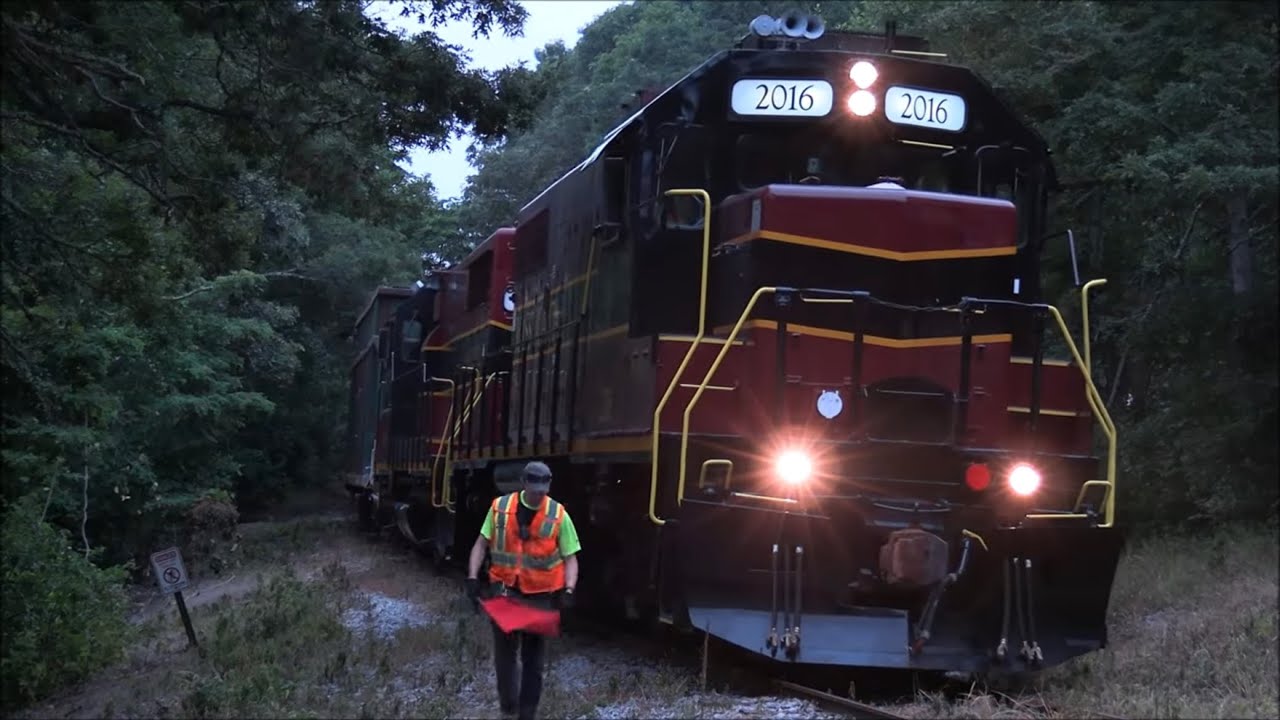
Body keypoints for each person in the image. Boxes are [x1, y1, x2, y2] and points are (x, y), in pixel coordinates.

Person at [465, 461, 580, 720]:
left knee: (534, 661)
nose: (539, 494)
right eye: (535, 488)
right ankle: (509, 707)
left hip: (540, 598)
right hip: (505, 594)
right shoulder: (500, 508)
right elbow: (481, 544)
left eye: (544, 488)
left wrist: (569, 590)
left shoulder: (558, 514)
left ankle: (527, 713)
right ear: (524, 483)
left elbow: (571, 557)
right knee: (505, 658)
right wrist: (472, 578)